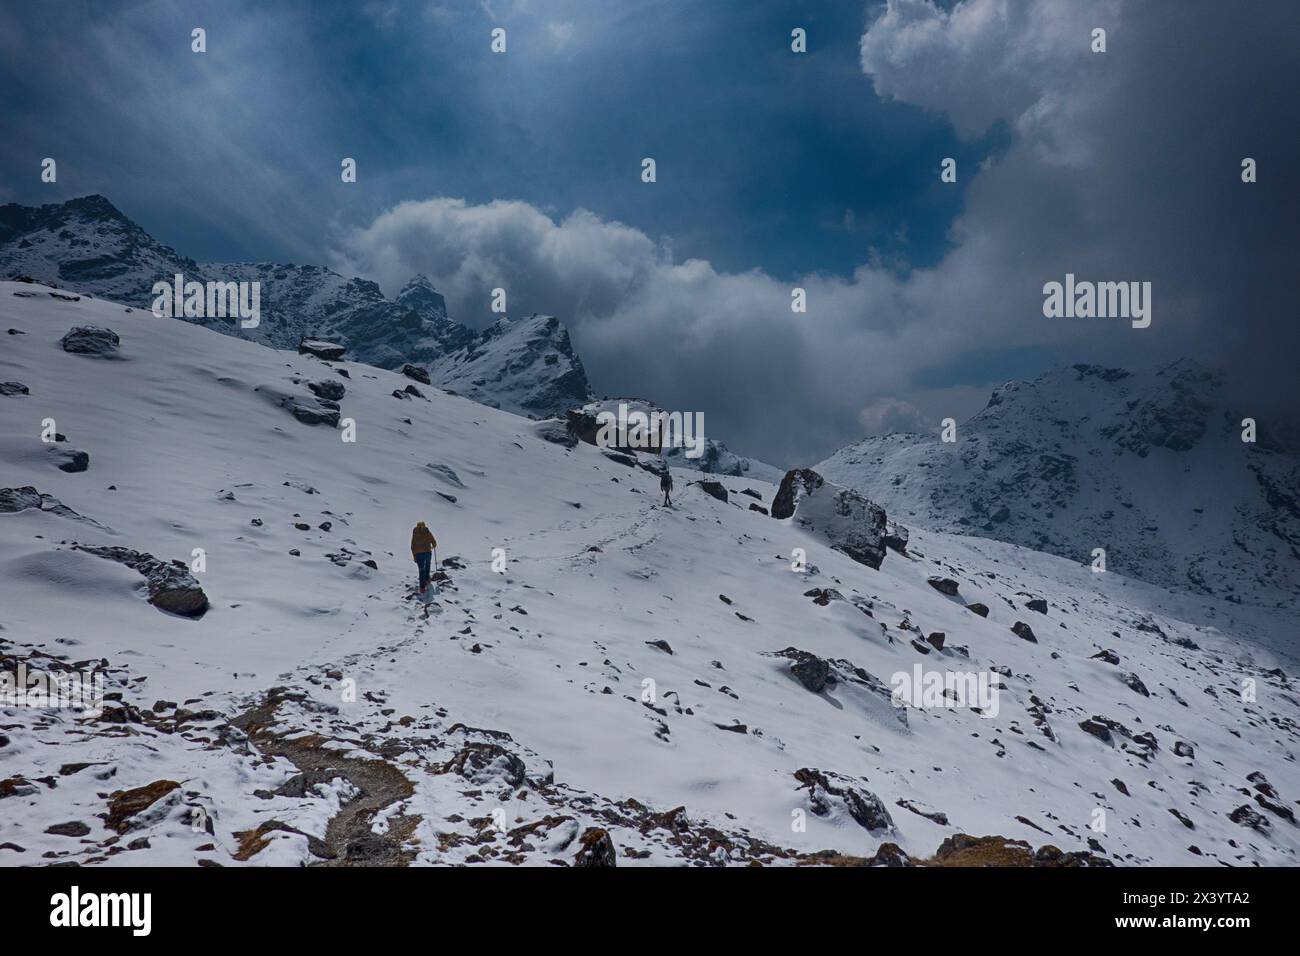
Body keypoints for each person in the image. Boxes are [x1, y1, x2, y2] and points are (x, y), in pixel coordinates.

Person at [411, 521, 437, 591]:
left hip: (417, 553)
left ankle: (422, 587)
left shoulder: (415, 533)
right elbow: (434, 542)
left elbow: (412, 545)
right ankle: (427, 579)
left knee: (421, 569)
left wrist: (414, 556)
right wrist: (433, 545)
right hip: (427, 552)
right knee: (427, 564)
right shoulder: (426, 530)